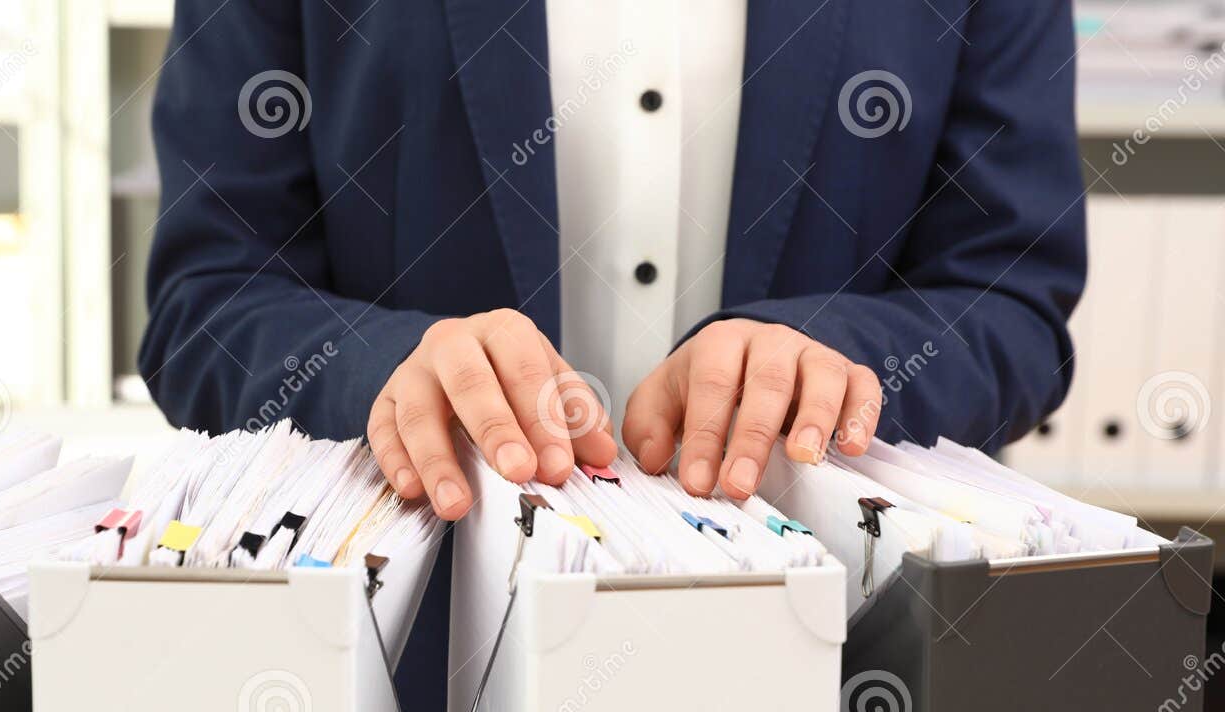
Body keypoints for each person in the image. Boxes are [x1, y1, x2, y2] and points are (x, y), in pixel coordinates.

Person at [139, 0, 1085, 517]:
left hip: (852, 678)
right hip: (409, 681)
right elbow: (208, 300)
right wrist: (386, 376)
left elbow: (1013, 303)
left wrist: (832, 358)